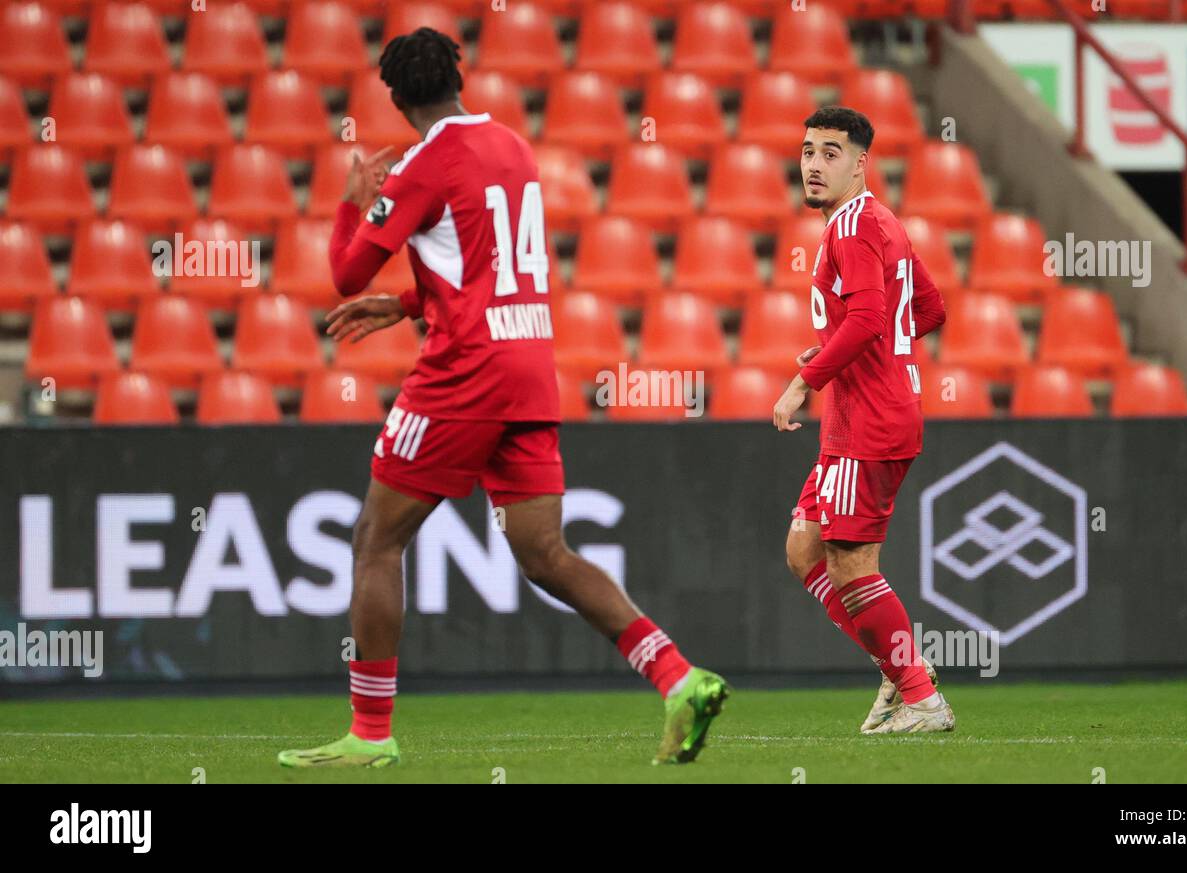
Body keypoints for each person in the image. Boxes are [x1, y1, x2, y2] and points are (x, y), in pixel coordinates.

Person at [277, 28, 728, 768]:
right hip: (529, 365)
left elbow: (346, 274)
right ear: (460, 76)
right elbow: (484, 256)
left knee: (376, 539)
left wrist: (352, 205)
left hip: (464, 374)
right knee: (544, 551)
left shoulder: (422, 164)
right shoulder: (514, 147)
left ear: (395, 97)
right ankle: (678, 677)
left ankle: (368, 732)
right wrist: (414, 304)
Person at [772, 106, 954, 735]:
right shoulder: (882, 222)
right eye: (808, 151)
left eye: (831, 152)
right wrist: (849, 353)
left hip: (867, 423)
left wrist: (806, 380)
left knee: (852, 565)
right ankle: (897, 668)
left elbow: (872, 319)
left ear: (859, 163)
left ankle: (920, 694)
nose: (815, 164)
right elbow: (926, 308)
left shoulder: (852, 228)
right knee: (804, 549)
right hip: (869, 415)